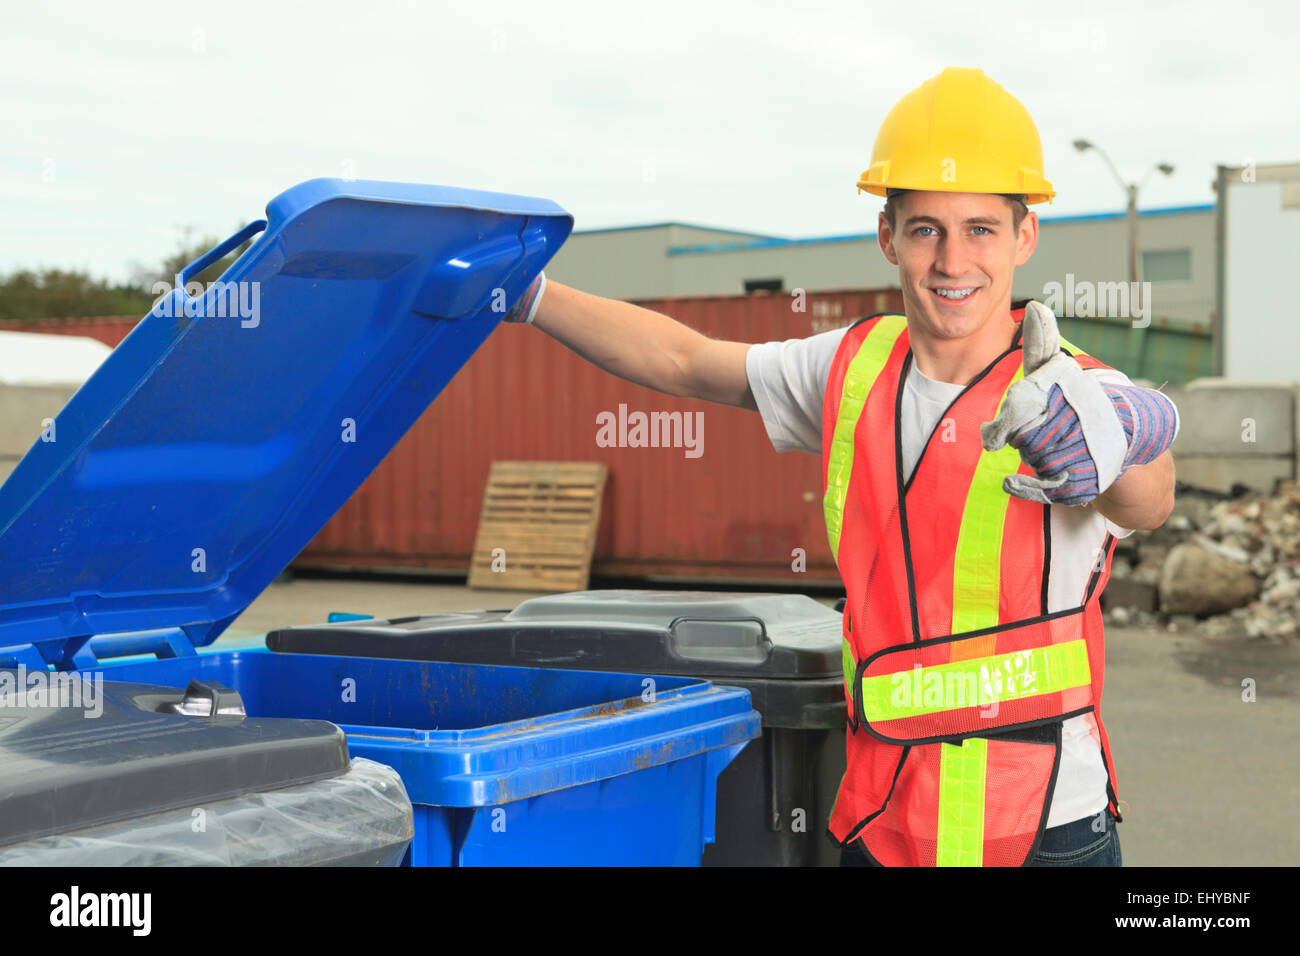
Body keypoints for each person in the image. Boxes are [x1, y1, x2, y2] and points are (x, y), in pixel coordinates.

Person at [499, 67, 1178, 867]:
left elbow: (1150, 496)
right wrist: (529, 292)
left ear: (1025, 238)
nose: (952, 260)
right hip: (884, 817)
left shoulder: (1067, 387)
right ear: (888, 236)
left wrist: (1107, 447)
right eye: (926, 228)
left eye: (982, 229)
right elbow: (683, 360)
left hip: (1041, 827)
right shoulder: (851, 368)